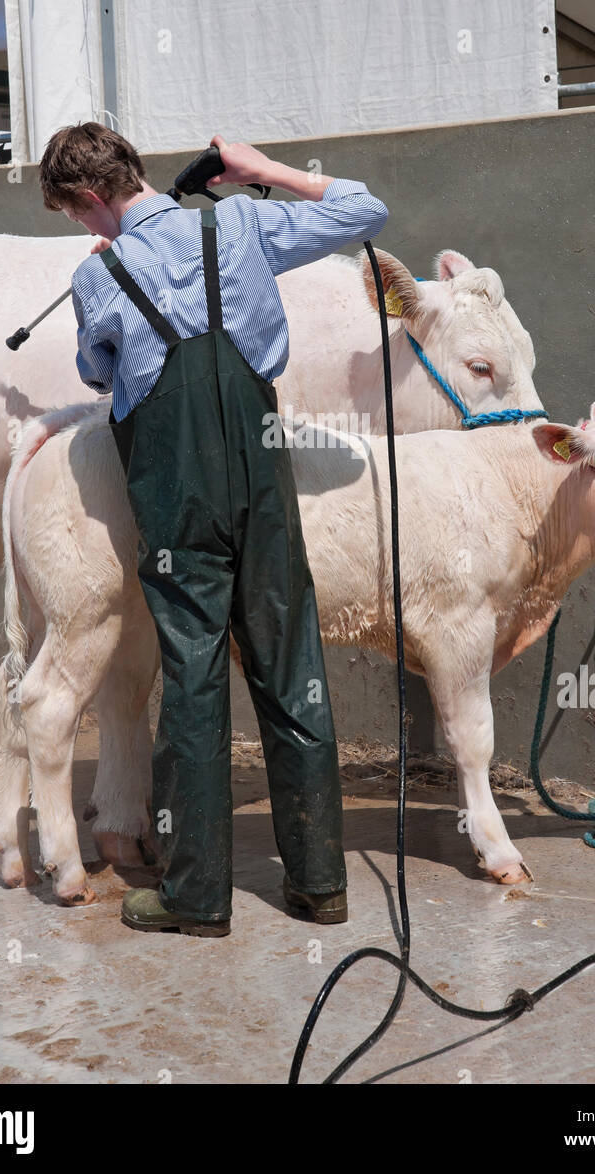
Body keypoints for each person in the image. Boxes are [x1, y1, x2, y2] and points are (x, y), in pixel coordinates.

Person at [38, 123, 389, 937]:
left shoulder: (102, 275)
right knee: (289, 662)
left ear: (93, 198)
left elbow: (98, 371)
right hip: (261, 477)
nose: (86, 231)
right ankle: (320, 884)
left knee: (193, 683)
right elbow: (366, 210)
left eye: (78, 216)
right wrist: (259, 170)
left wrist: (111, 279)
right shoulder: (239, 223)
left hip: (175, 495)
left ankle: (196, 898)